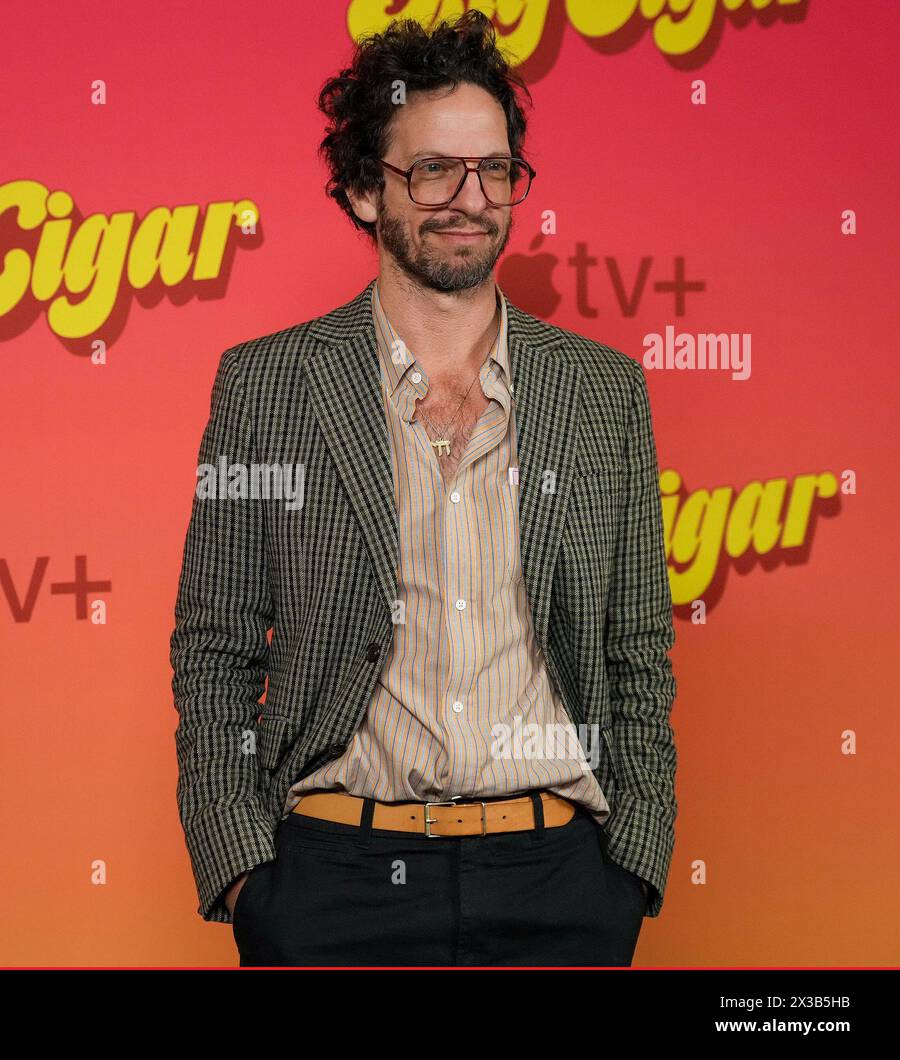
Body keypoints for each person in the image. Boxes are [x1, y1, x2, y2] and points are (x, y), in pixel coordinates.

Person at [170, 10, 678, 967]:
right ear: (366, 190)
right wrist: (248, 876)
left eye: (493, 171)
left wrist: (632, 860)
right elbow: (216, 645)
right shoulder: (268, 383)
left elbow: (636, 646)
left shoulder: (603, 390)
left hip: (562, 885)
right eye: (432, 170)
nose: (469, 199)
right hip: (331, 886)